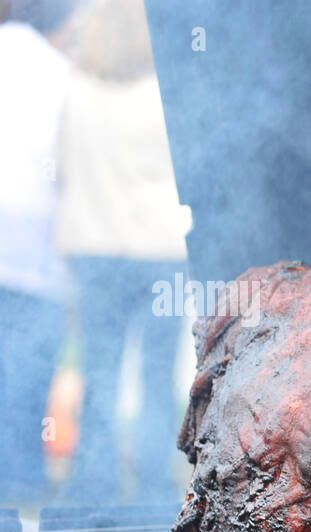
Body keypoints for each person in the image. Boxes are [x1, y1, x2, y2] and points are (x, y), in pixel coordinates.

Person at [55, 0, 192, 506]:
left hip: (93, 248)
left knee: (99, 369)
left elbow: (61, 165)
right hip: (160, 252)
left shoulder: (75, 89)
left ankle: (90, 485)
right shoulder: (166, 96)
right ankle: (154, 489)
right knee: (158, 376)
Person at [0, 0, 73, 505]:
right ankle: (20, 474)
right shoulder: (62, 76)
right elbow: (68, 165)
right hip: (39, 247)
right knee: (28, 366)